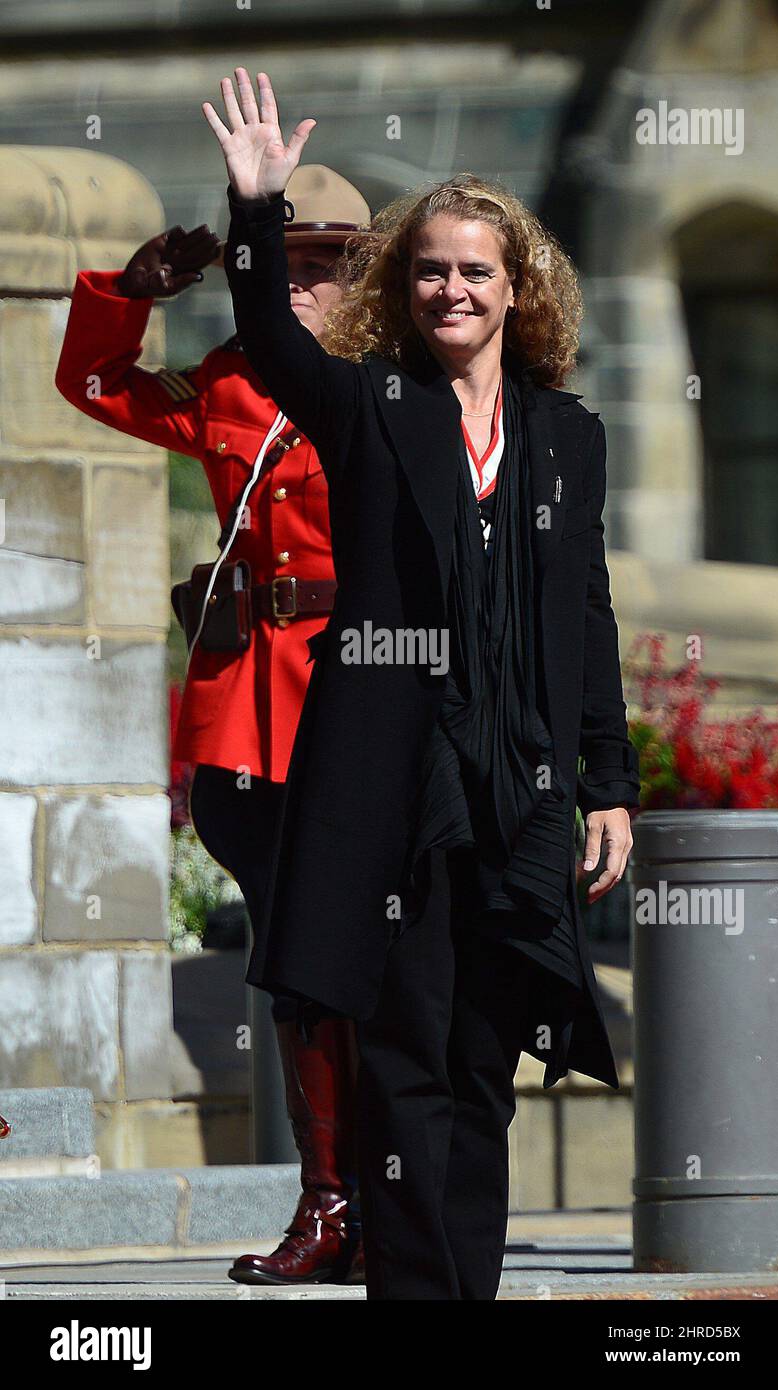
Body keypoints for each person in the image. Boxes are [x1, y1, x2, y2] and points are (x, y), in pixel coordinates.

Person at [204, 67, 641, 1301]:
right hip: (396, 782)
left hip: (520, 783)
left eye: (475, 271)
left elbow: (586, 615)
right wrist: (256, 213)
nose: (451, 289)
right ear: (406, 286)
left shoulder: (568, 438)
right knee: (401, 1051)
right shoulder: (368, 404)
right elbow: (275, 341)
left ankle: (468, 1289)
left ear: (519, 289)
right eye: (430, 269)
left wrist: (608, 781)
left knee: (480, 1060)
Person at [54, 164, 372, 1287]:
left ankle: (396, 1193)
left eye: (326, 266)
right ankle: (328, 1206)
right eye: (285, 266)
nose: (305, 289)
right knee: (289, 958)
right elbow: (92, 384)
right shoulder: (231, 384)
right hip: (253, 705)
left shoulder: (400, 387)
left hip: (368, 694)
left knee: (392, 961)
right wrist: (130, 294)